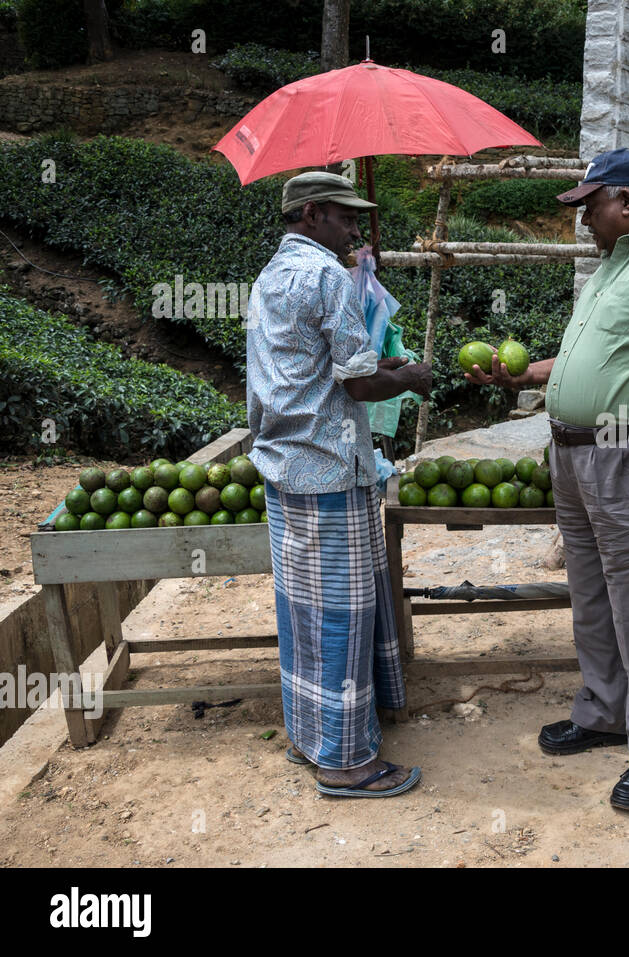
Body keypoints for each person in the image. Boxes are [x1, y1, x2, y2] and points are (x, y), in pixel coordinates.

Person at [466, 148, 629, 811]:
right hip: (577, 457)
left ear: (624, 201)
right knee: (594, 598)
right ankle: (606, 710)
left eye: (589, 205)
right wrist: (525, 375)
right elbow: (597, 358)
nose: (583, 218)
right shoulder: (616, 267)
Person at [246, 171, 433, 798]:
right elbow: (355, 387)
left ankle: (311, 736)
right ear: (315, 214)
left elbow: (322, 367)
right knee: (345, 615)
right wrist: (411, 378)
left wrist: (385, 364)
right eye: (347, 218)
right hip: (328, 469)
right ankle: (346, 761)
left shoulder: (271, 275)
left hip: (285, 471)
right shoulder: (327, 277)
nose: (356, 229)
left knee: (303, 611)